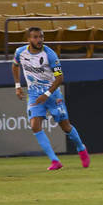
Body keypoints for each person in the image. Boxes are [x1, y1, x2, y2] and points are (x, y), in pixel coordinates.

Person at [13, 27, 90, 171]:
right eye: (35, 37)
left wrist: (46, 94)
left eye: (41, 37)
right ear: (28, 39)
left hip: (52, 95)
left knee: (65, 126)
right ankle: (55, 161)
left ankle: (81, 148)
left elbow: (60, 78)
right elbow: (15, 65)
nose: (39, 40)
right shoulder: (20, 52)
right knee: (35, 126)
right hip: (34, 94)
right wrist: (18, 86)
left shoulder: (50, 55)